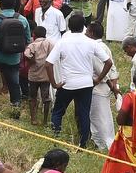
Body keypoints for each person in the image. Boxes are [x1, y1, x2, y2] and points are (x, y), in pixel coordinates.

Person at [47, 13, 112, 147]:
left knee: (58, 112)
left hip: (67, 84)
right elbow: (108, 62)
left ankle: (55, 139)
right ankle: (83, 144)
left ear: (69, 27)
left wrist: (54, 84)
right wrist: (98, 79)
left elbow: (48, 64)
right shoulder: (91, 43)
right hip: (86, 84)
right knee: (84, 114)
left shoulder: (62, 42)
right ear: (83, 27)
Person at [24, 26, 54, 126]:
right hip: (46, 75)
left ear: (34, 35)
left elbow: (26, 54)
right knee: (46, 98)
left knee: (33, 97)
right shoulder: (50, 44)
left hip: (34, 76)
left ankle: (33, 119)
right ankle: (45, 121)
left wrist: (32, 60)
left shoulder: (32, 45)